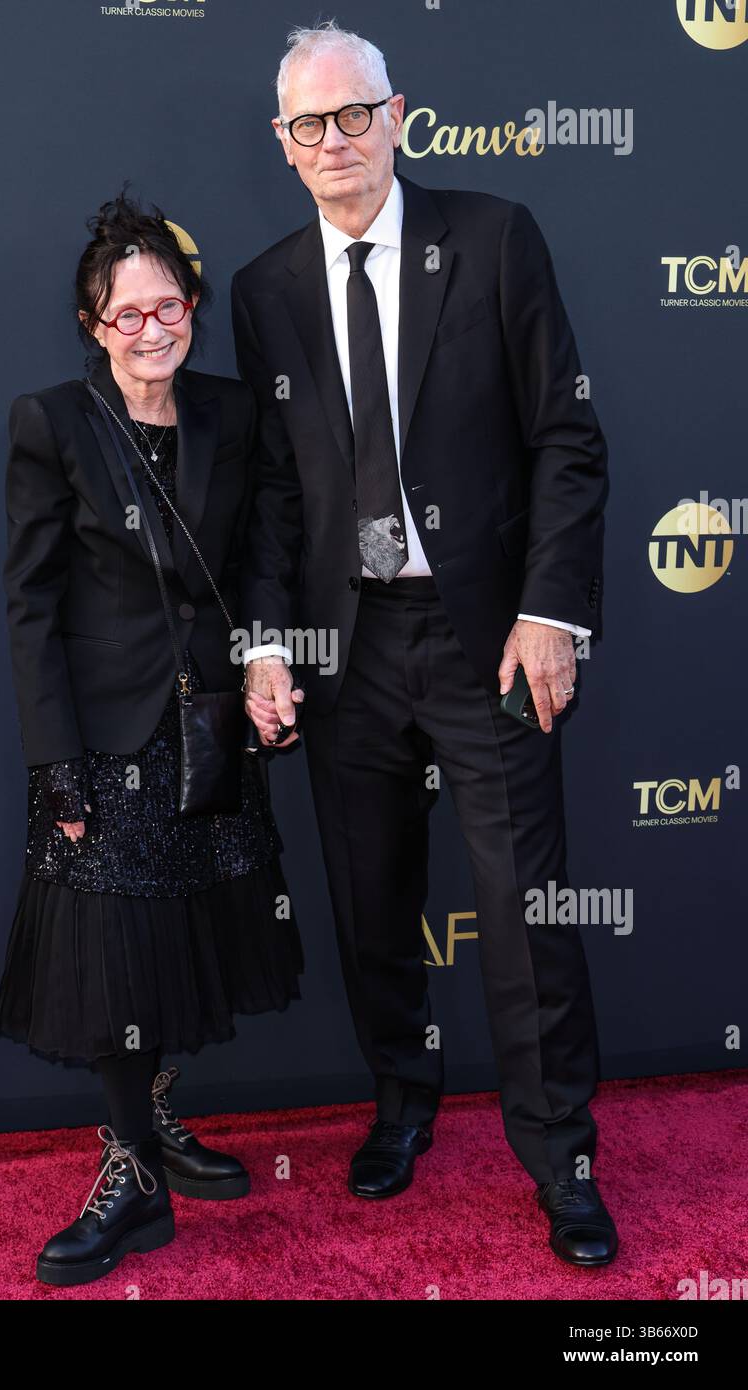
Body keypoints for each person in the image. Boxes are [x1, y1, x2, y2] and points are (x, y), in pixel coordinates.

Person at [234, 22, 616, 1266]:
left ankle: (561, 1152)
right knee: (370, 902)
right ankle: (402, 1104)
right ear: (282, 148)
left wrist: (549, 614)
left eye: (355, 115)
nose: (335, 141)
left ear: (400, 116)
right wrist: (277, 644)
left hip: (489, 639)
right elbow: (278, 503)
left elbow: (567, 439)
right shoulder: (265, 290)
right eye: (309, 125)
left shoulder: (496, 238)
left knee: (523, 910)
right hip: (347, 646)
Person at [0, 187, 304, 1287]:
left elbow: (265, 558)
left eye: (167, 308)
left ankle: (156, 1118)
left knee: (183, 944)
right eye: (126, 316)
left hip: (208, 728)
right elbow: (30, 604)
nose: (151, 330)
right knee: (115, 967)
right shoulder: (54, 424)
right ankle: (132, 1177)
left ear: (193, 309)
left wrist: (267, 653)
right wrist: (54, 762)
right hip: (108, 736)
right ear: (94, 326)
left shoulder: (231, 412)